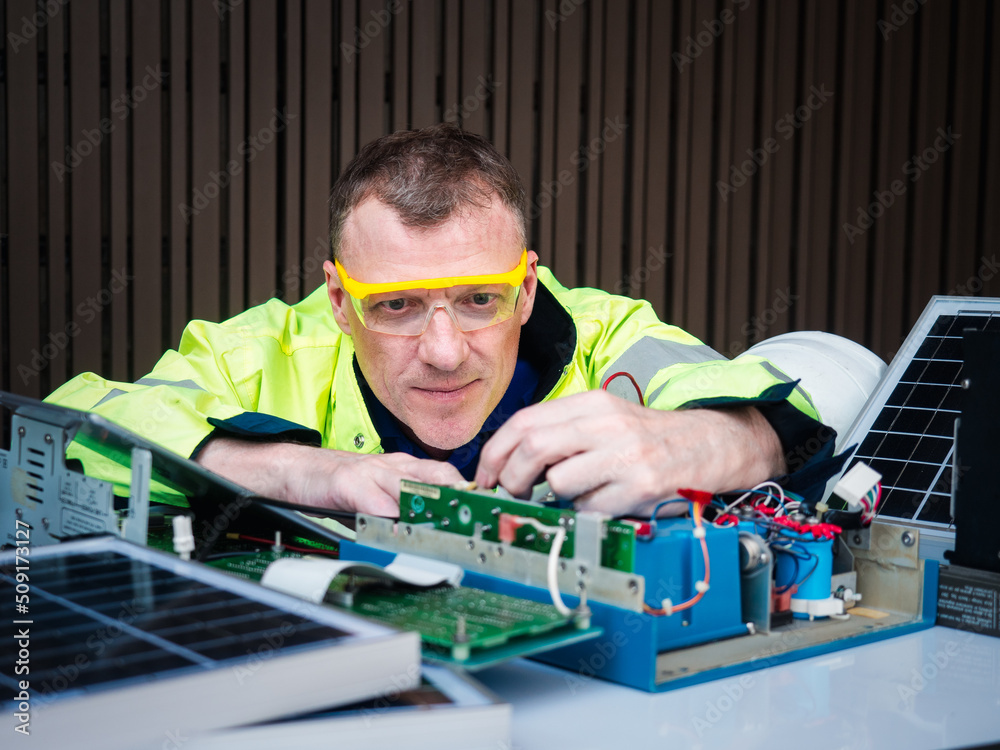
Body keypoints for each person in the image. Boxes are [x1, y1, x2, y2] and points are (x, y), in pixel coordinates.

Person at [48, 123, 835, 518]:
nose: (445, 351)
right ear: (338, 301)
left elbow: (781, 421)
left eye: (479, 300)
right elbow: (64, 427)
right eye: (395, 305)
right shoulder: (261, 352)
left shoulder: (613, 335)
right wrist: (302, 472)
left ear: (526, 290)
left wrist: (697, 441)